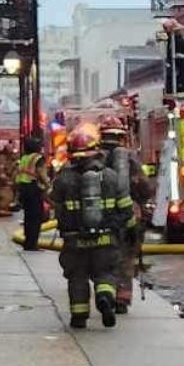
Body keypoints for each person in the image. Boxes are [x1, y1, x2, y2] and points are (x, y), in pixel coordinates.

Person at [50, 123, 130, 329]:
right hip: (105, 239)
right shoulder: (111, 176)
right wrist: (120, 228)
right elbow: (126, 209)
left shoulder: (63, 178)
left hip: (74, 240)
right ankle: (105, 298)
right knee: (105, 274)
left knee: (77, 278)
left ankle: (79, 317)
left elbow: (53, 203)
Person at [100, 123, 150, 314]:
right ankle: (122, 297)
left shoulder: (92, 158)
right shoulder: (130, 159)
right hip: (130, 215)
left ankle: (106, 292)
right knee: (127, 257)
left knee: (104, 257)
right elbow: (144, 187)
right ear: (121, 138)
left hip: (103, 218)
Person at [15, 133, 50, 252]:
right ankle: (33, 244)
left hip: (23, 188)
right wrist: (48, 186)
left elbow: (17, 174)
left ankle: (27, 242)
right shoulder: (38, 158)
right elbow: (42, 173)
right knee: (36, 217)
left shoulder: (24, 158)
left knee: (28, 217)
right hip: (34, 188)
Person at [161, 18, 184, 93]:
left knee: (182, 81)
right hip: (179, 67)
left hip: (181, 67)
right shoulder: (173, 39)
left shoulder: (176, 39)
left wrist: (180, 55)